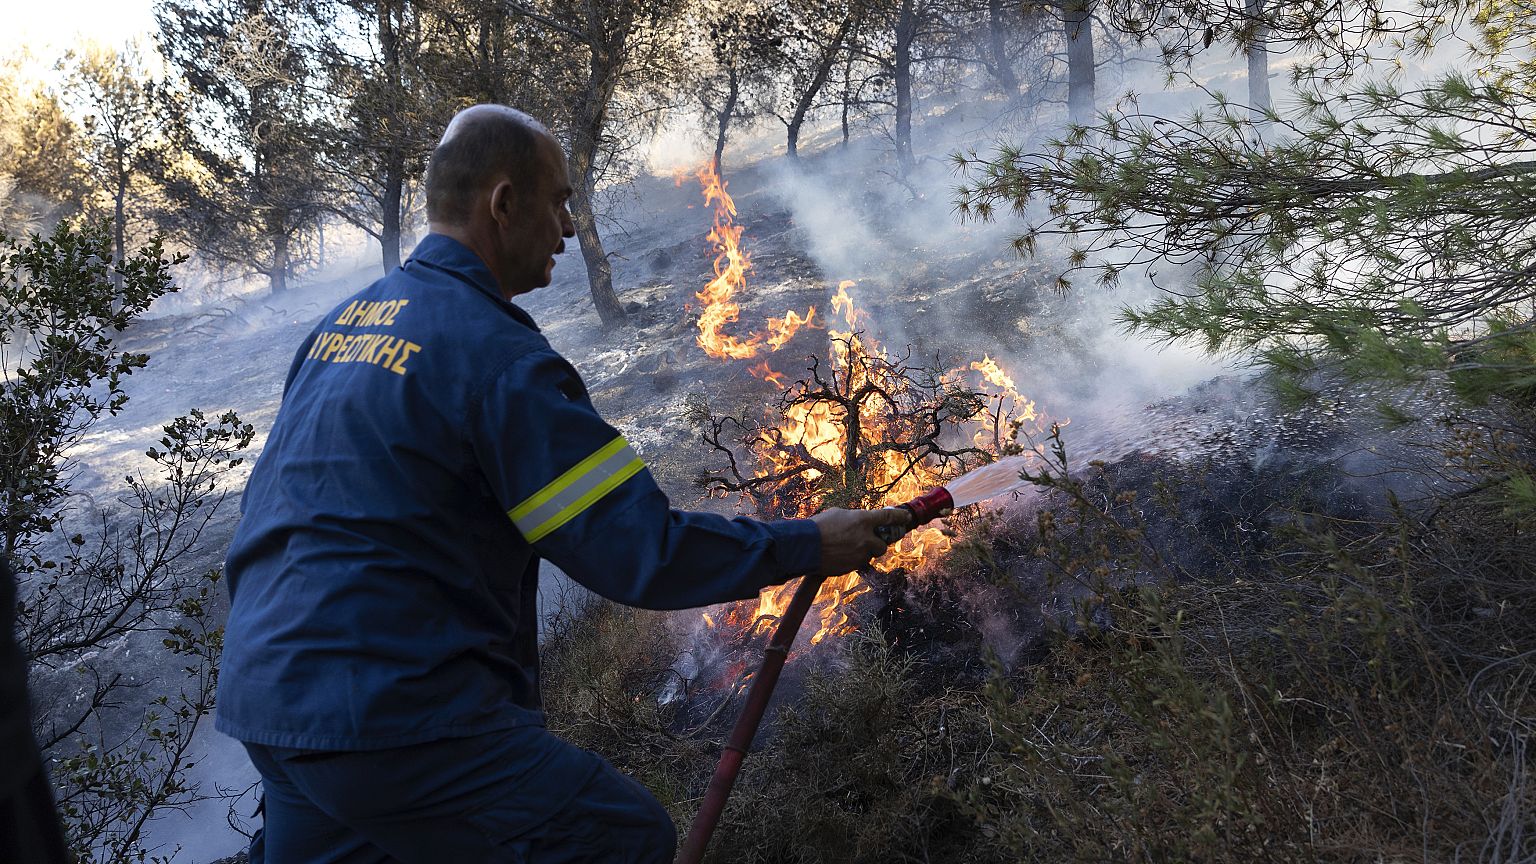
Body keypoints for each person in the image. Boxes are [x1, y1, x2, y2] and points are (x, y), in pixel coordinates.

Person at [217, 105, 909, 864]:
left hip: (269, 699)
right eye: (559, 201)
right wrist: (811, 540)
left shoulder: (342, 327)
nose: (571, 228)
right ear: (503, 203)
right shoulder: (497, 357)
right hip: (392, 715)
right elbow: (639, 550)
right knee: (624, 839)